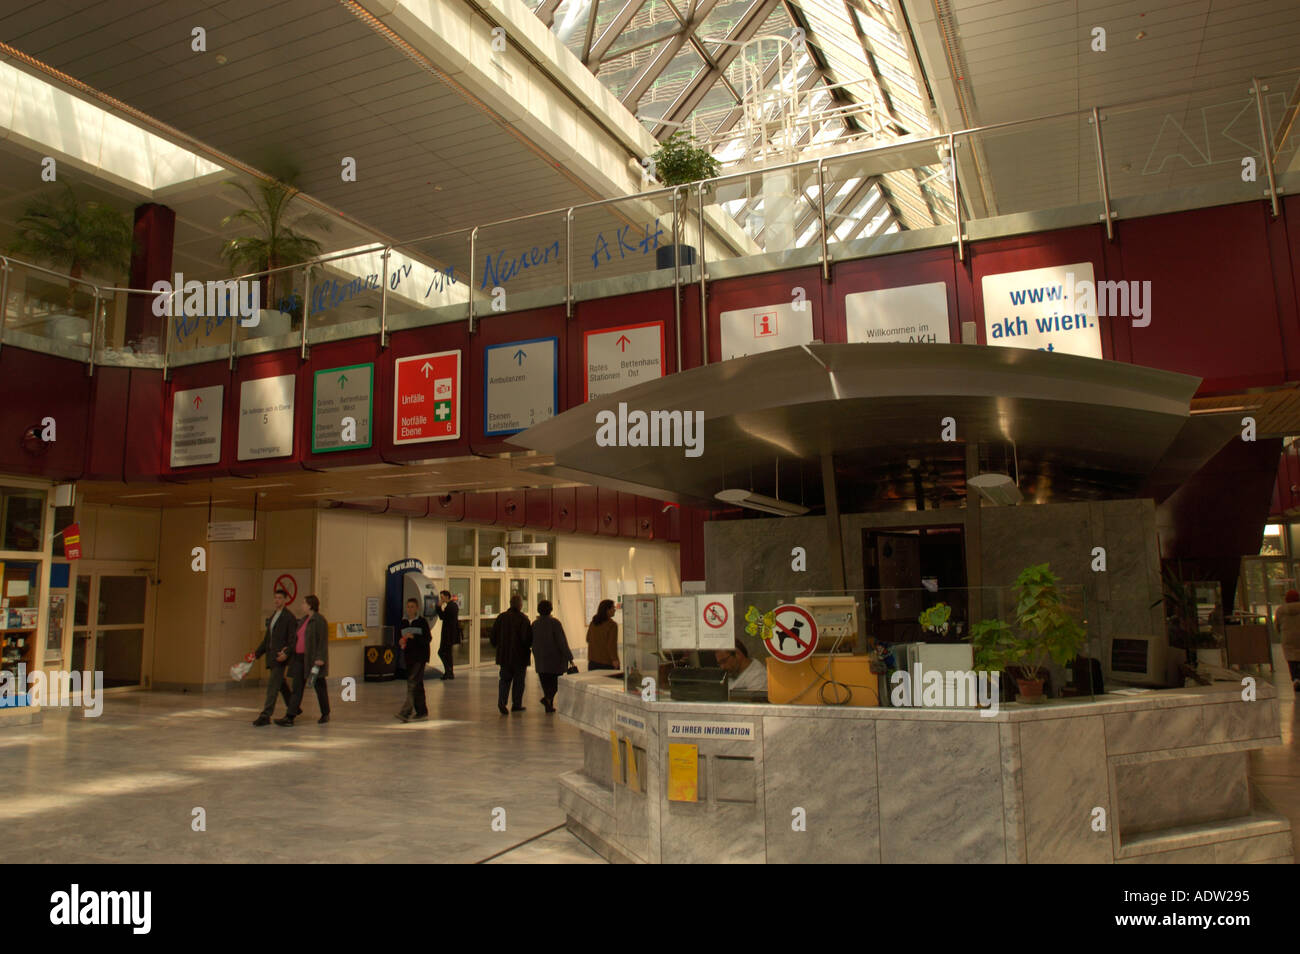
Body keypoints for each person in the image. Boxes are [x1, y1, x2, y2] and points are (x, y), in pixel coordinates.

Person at [252, 589, 297, 726]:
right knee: (281, 684)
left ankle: (266, 715)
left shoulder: (289, 617)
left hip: (280, 657)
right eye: (275, 598)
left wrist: (287, 653)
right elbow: (267, 639)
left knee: (272, 686)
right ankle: (294, 708)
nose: (276, 600)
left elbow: (293, 639)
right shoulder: (273, 616)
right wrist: (256, 654)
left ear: (285, 600)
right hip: (272, 657)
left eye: (279, 598)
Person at [284, 594, 330, 725]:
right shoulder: (303, 620)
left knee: (319, 686)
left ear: (310, 605)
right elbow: (296, 639)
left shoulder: (319, 621)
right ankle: (290, 716)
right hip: (299, 658)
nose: (302, 605)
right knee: (297, 687)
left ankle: (325, 713)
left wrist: (320, 658)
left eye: (304, 603)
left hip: (313, 659)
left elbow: (322, 641)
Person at [491, 593, 533, 714]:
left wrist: (498, 647)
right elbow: (527, 640)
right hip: (520, 657)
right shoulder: (524, 619)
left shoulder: (501, 618)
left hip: (504, 656)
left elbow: (493, 637)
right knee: (519, 682)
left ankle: (502, 702)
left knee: (504, 680)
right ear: (520, 605)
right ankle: (517, 704)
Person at [530, 599, 573, 713]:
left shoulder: (535, 624)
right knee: (556, 682)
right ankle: (548, 699)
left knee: (545, 682)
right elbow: (561, 641)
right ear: (550, 609)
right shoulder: (555, 623)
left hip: (540, 659)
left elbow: (531, 640)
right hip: (555, 659)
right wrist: (569, 656)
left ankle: (549, 703)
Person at [396, 597, 432, 722]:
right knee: (417, 684)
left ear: (417, 608)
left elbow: (427, 639)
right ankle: (422, 711)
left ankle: (406, 712)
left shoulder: (422, 622)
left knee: (412, 683)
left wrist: (414, 637)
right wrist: (401, 641)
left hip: (420, 657)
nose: (410, 609)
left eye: (412, 606)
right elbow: (399, 637)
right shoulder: (404, 622)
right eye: (408, 606)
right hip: (408, 657)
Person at [1274, 589, 1300, 689]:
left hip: (1288, 637)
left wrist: (1281, 633)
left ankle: (1296, 678)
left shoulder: (1280, 610)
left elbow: (1277, 625)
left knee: (1291, 658)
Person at [585, 599, 619, 671]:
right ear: (607, 610)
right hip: (606, 663)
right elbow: (611, 645)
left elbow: (588, 639)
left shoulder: (593, 623)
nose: (615, 610)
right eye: (613, 607)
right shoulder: (612, 625)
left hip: (592, 662)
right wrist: (615, 660)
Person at [434, 590, 460, 680]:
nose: (441, 599)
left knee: (442, 652)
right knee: (447, 653)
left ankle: (448, 671)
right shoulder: (453, 605)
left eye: (442, 597)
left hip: (448, 634)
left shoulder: (451, 607)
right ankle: (449, 672)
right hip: (450, 634)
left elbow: (442, 616)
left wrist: (438, 607)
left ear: (447, 597)